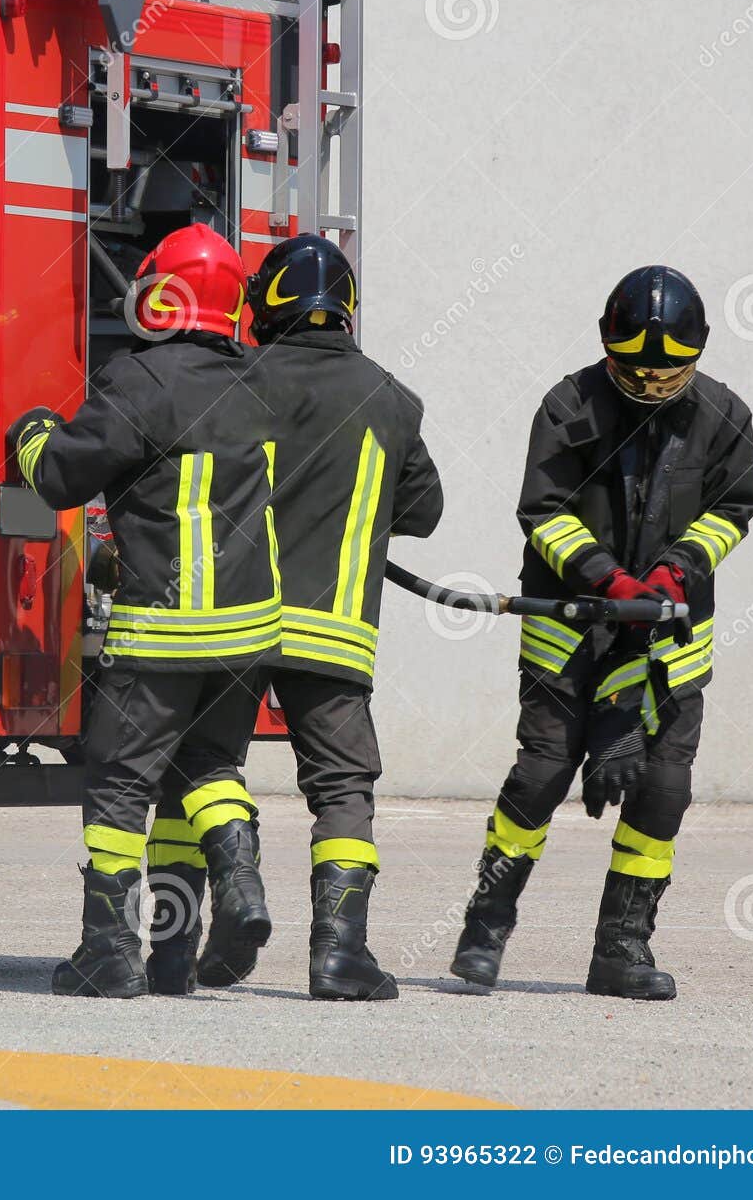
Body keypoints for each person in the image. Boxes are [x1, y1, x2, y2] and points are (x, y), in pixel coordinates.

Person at [451, 265, 753, 1000]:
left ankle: (622, 947)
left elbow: (734, 509)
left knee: (664, 788)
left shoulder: (725, 416)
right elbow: (543, 509)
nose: (653, 386)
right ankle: (485, 925)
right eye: (636, 373)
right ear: (605, 344)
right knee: (541, 775)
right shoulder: (569, 404)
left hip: (668, 643)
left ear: (700, 351)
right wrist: (606, 578)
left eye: (669, 375)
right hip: (571, 635)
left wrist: (678, 569)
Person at [10, 223, 278, 999]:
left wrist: (29, 432)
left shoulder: (140, 380)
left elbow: (61, 475)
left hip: (163, 628)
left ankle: (109, 951)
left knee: (122, 784)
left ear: (168, 295)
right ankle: (194, 926)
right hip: (248, 633)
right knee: (207, 770)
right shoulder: (262, 384)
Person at [240, 234, 444, 1000]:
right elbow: (422, 509)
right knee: (342, 789)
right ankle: (339, 955)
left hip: (234, 621)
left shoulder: (239, 381)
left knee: (207, 768)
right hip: (334, 632)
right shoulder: (391, 398)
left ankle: (213, 928)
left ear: (271, 301)